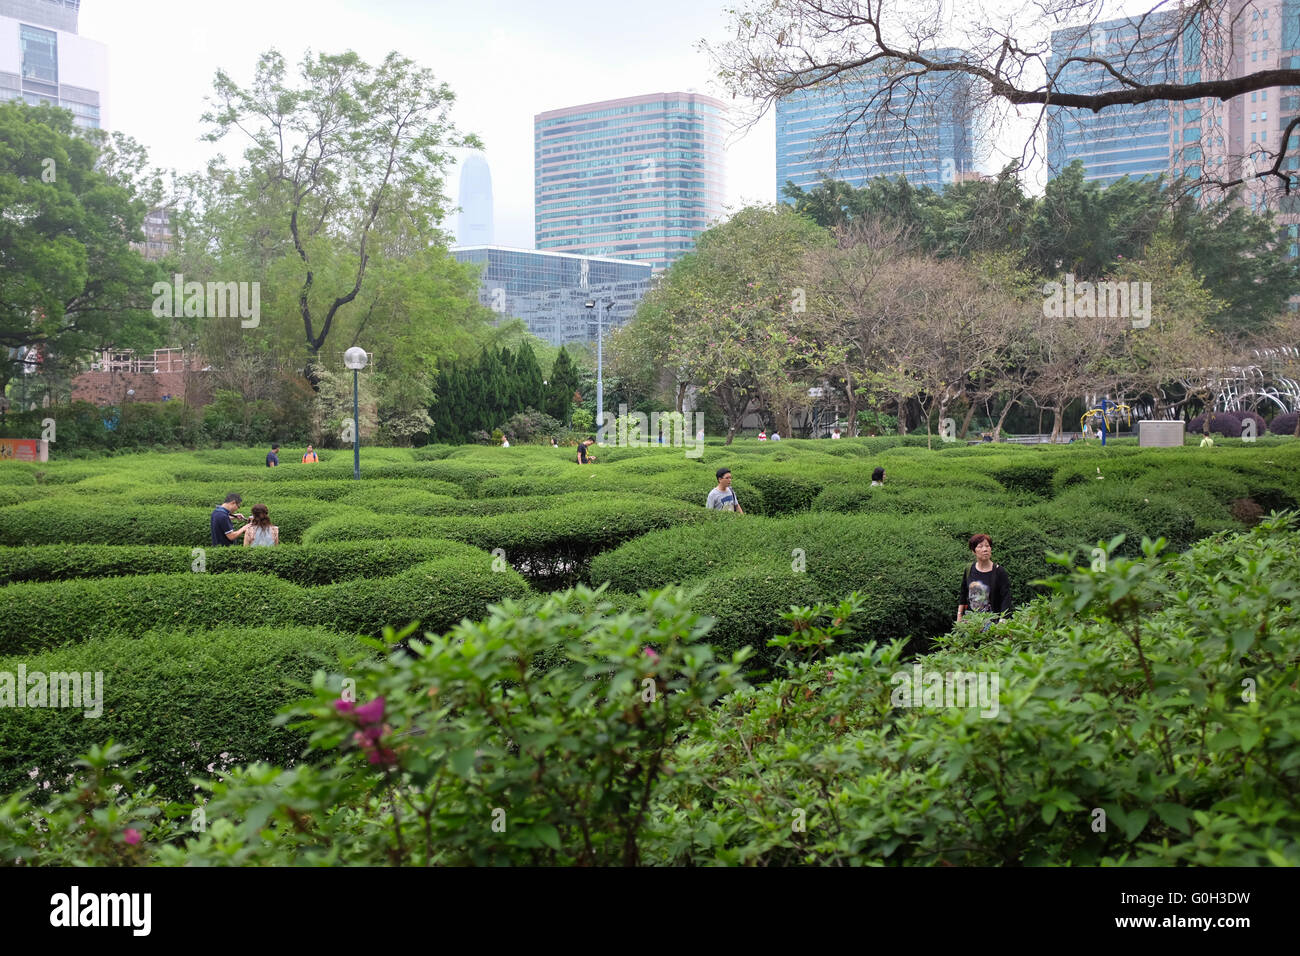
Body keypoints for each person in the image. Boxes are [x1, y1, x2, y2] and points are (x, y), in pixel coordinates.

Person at [956, 533, 1012, 622]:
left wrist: (1002, 621)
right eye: (980, 546)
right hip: (970, 623)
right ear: (973, 551)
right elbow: (963, 594)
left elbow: (1006, 599)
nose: (985, 549)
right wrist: (959, 615)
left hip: (992, 623)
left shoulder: (999, 571)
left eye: (987, 546)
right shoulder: (969, 569)